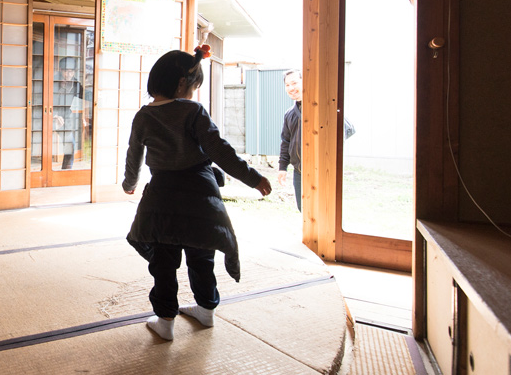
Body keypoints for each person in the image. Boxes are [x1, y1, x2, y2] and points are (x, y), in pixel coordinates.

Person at [122, 47, 272, 341]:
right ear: (181, 84)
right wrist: (252, 178)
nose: (193, 93)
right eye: (194, 87)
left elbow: (134, 155)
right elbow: (220, 150)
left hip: (162, 196)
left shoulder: (143, 116)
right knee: (201, 255)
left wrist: (130, 182)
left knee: (164, 261)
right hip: (200, 195)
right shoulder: (193, 111)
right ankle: (206, 310)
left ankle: (165, 320)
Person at [277, 69, 354, 212]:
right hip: (299, 172)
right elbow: (286, 142)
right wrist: (282, 168)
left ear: (304, 82)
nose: (291, 88)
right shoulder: (289, 114)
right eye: (287, 85)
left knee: (324, 212)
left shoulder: (321, 107)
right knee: (304, 210)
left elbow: (343, 131)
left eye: (294, 83)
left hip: (322, 172)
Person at [52, 57, 84, 169]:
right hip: (49, 116)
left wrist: (83, 116)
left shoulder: (76, 85)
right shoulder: (52, 81)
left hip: (66, 120)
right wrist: (54, 115)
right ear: (61, 70)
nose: (69, 74)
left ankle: (66, 171)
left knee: (70, 145)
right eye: (66, 71)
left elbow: (82, 102)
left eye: (71, 71)